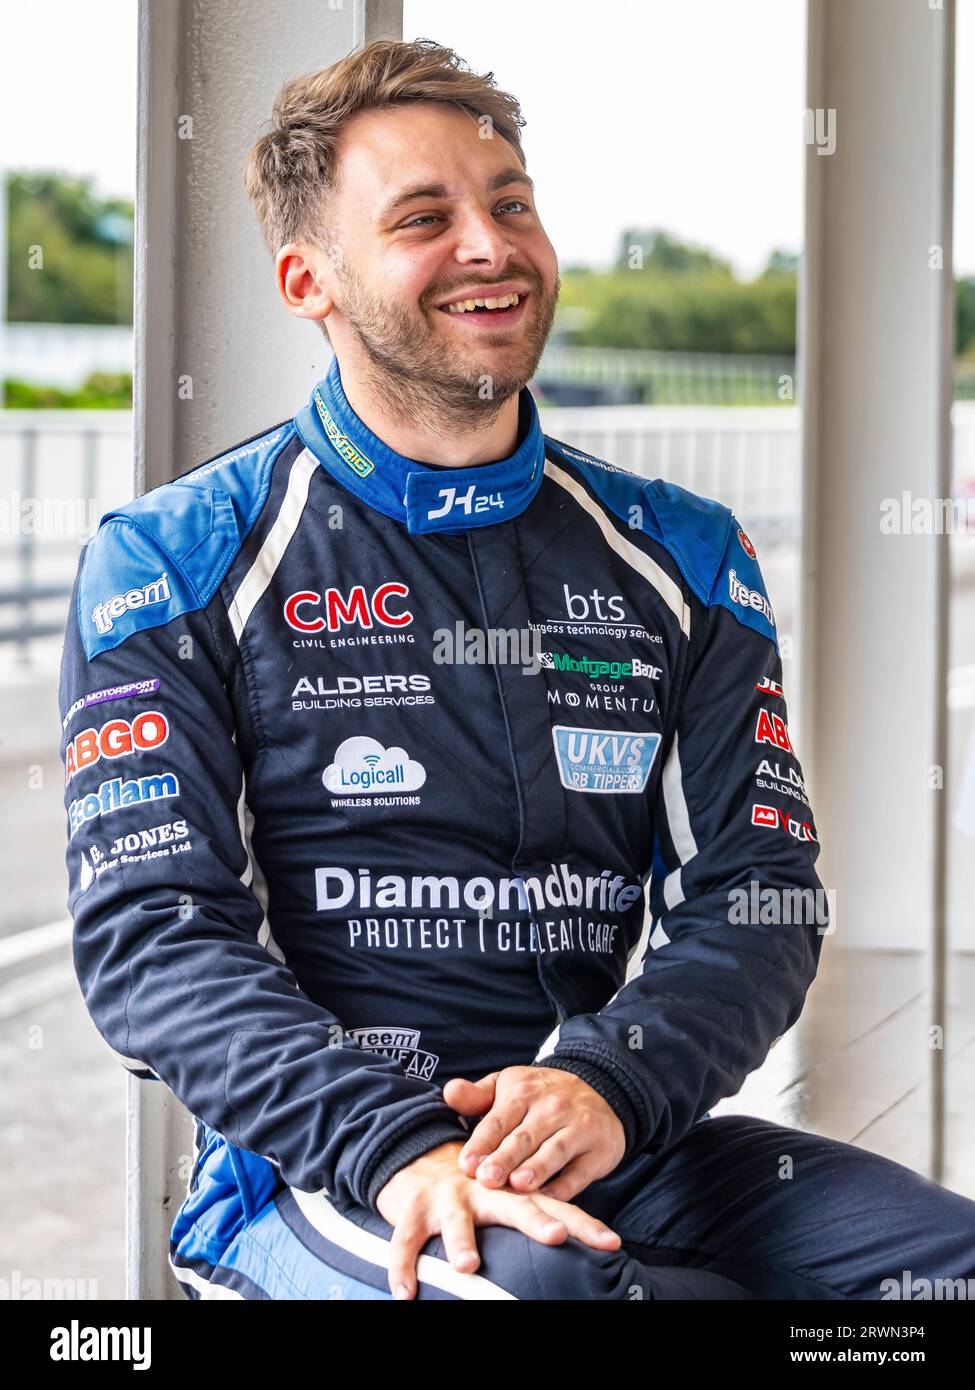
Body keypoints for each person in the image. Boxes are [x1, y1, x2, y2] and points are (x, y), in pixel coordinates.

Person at [60, 37, 975, 1302]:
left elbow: (757, 890)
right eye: (425, 219)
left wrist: (612, 1079)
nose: (489, 245)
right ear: (307, 279)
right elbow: (156, 938)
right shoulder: (174, 557)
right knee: (551, 1296)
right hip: (331, 1170)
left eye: (511, 205)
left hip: (609, 1127)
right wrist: (397, 1145)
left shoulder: (685, 555)